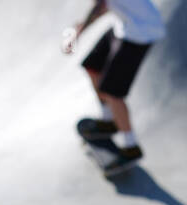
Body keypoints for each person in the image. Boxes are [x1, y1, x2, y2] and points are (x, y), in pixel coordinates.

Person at [64, 1, 165, 173]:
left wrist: (79, 33)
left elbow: (100, 4)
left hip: (140, 33)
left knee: (112, 92)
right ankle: (108, 120)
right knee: (92, 66)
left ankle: (131, 147)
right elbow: (105, 6)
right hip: (124, 26)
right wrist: (83, 24)